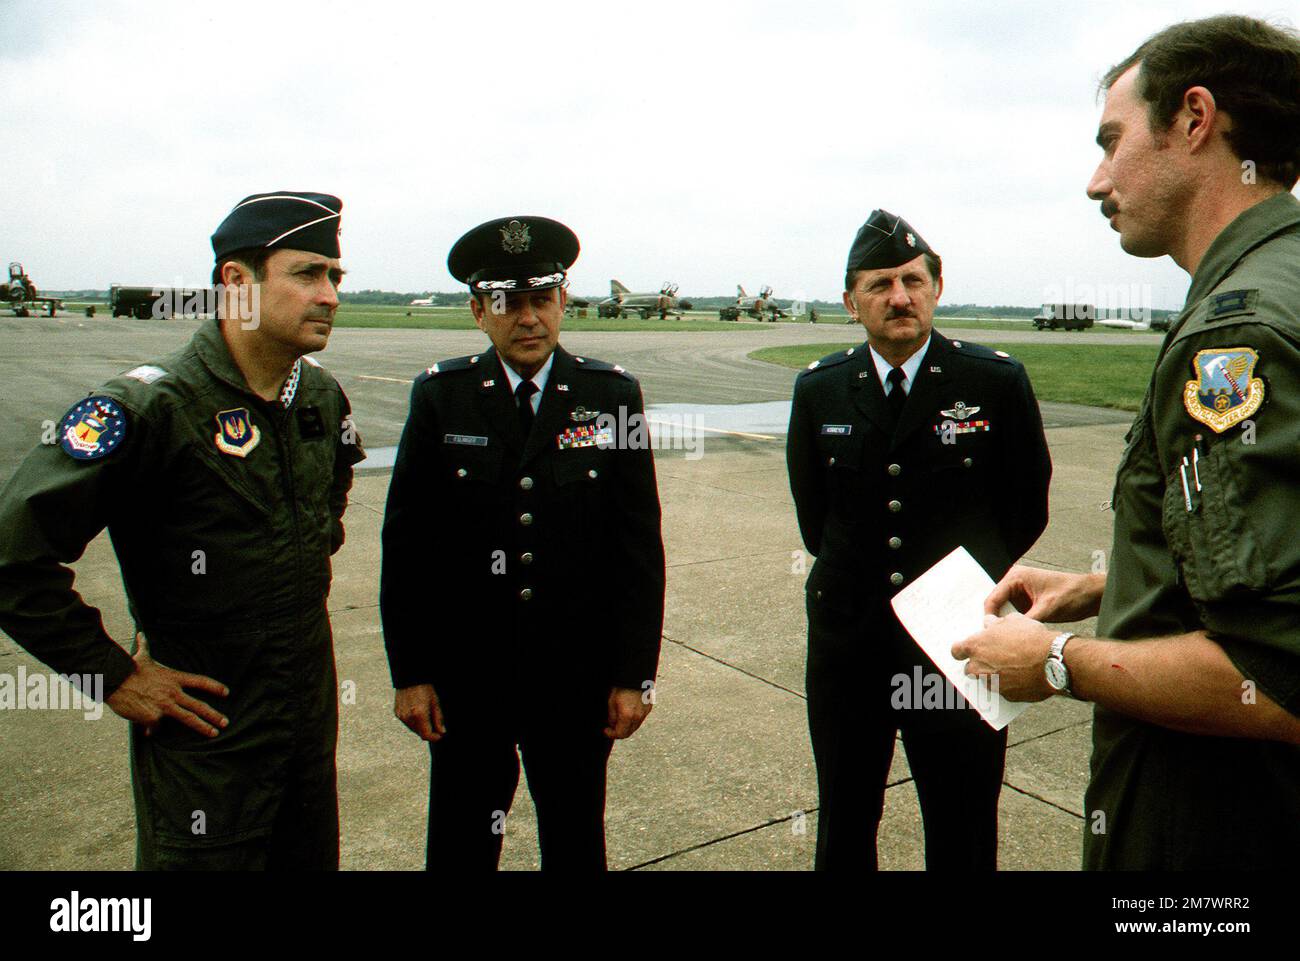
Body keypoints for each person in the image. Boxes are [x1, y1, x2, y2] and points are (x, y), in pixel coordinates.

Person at [954, 15, 1300, 869]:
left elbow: (1279, 675)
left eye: (1112, 141)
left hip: (1214, 837)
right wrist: (1108, 591)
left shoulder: (1237, 335)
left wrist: (1058, 661)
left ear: (1193, 119)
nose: (1096, 180)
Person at [0, 191, 365, 869]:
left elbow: (332, 492)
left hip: (306, 735)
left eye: (335, 277)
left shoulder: (318, 396)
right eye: (308, 274)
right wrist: (112, 675)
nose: (331, 296)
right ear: (237, 283)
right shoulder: (147, 406)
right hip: (206, 745)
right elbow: (11, 554)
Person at [380, 215, 665, 871]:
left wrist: (633, 674)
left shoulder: (609, 394)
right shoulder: (440, 398)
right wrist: (412, 672)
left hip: (576, 675)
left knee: (574, 839)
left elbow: (637, 549)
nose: (528, 317)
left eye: (542, 299)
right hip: (467, 676)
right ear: (480, 310)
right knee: (460, 842)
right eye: (508, 303)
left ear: (562, 302)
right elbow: (408, 545)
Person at [786, 209, 1052, 870]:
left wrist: (957, 589)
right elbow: (814, 518)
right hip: (850, 648)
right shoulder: (819, 388)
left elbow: (1027, 501)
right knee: (845, 822)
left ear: (937, 287)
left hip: (958, 646)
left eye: (911, 279)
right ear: (851, 302)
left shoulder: (994, 381)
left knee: (962, 825)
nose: (898, 296)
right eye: (879, 284)